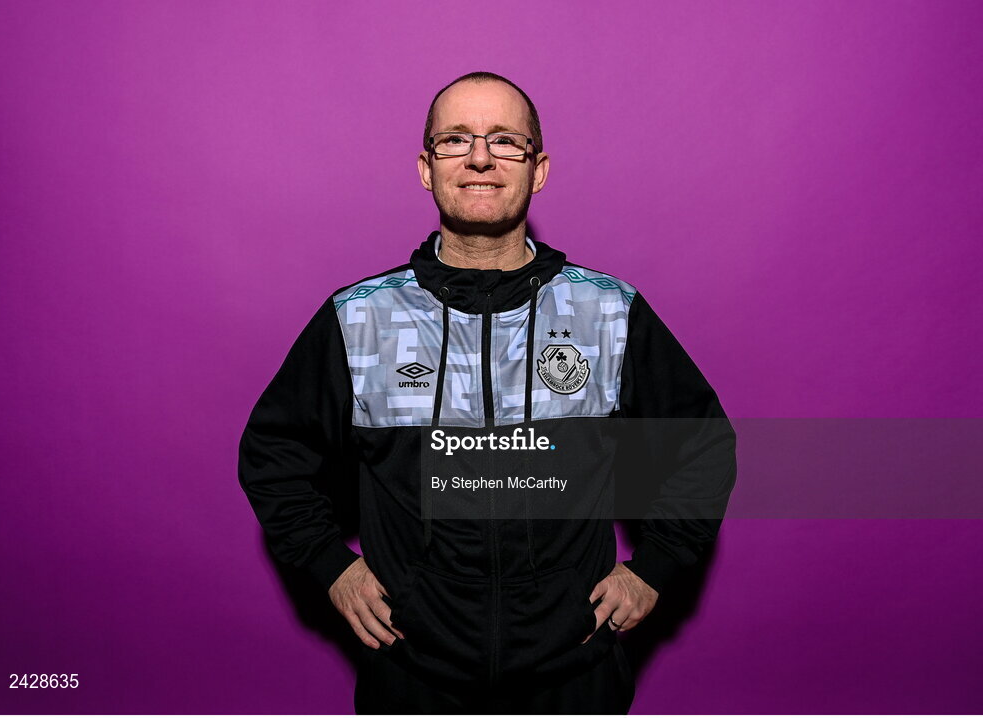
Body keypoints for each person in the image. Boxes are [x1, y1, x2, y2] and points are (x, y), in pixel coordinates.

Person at [238, 71, 737, 714]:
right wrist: (330, 565)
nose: (479, 157)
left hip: (575, 674)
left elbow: (703, 445)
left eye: (505, 140)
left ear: (540, 168)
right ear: (426, 167)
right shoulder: (359, 317)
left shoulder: (607, 312)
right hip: (412, 676)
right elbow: (274, 453)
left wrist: (655, 569)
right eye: (455, 140)